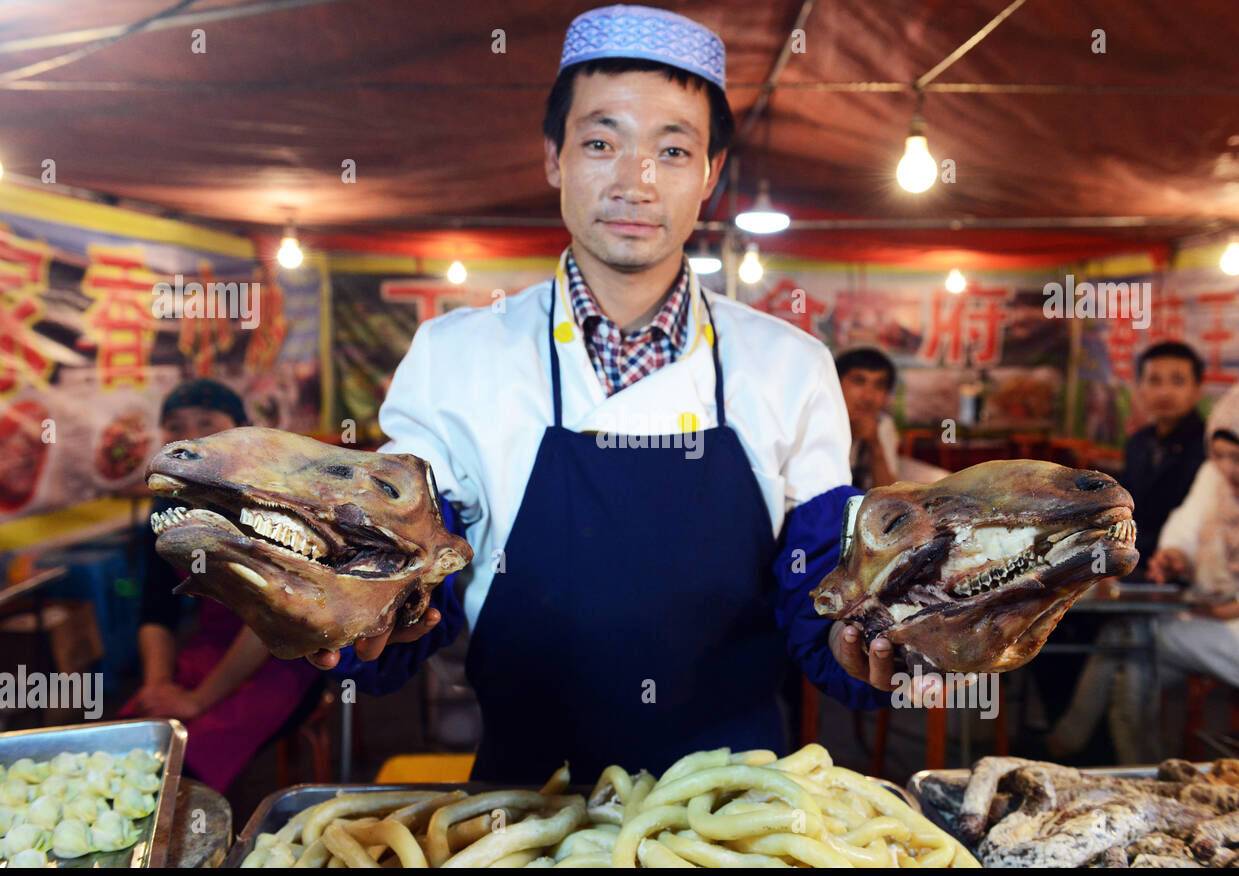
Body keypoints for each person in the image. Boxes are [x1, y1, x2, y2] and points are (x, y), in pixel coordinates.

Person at [292, 6, 921, 783]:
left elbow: (818, 576)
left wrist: (871, 642)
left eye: (673, 149)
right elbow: (412, 563)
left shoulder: (788, 364)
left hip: (742, 816)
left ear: (711, 175)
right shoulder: (457, 357)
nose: (635, 181)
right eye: (600, 142)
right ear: (554, 157)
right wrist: (361, 619)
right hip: (527, 815)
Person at [1048, 374, 1239, 763]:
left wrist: (1219, 609)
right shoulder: (1213, 476)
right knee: (1132, 656)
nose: (1229, 470)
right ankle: (1140, 762)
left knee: (1134, 641)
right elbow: (1183, 531)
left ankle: (1081, 745)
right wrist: (1176, 557)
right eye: (1221, 457)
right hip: (1203, 617)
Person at [122, 379, 320, 792]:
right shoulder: (167, 510)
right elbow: (156, 610)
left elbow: (272, 617)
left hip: (283, 656)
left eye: (206, 422)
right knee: (130, 749)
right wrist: (158, 684)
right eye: (174, 425)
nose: (188, 436)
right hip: (209, 651)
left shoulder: (273, 505)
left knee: (184, 768)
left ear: (240, 429)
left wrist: (197, 701)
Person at [1121, 341, 1206, 577]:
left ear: (1198, 389)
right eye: (1154, 380)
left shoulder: (1208, 447)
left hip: (1179, 568)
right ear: (1140, 387)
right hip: (1130, 562)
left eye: (1177, 381)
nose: (1164, 392)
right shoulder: (1137, 442)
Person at [836, 347, 900, 489]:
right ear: (835, 383)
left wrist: (874, 444)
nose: (868, 396)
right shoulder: (815, 421)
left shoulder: (882, 424)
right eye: (858, 381)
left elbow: (888, 498)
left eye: (879, 385)